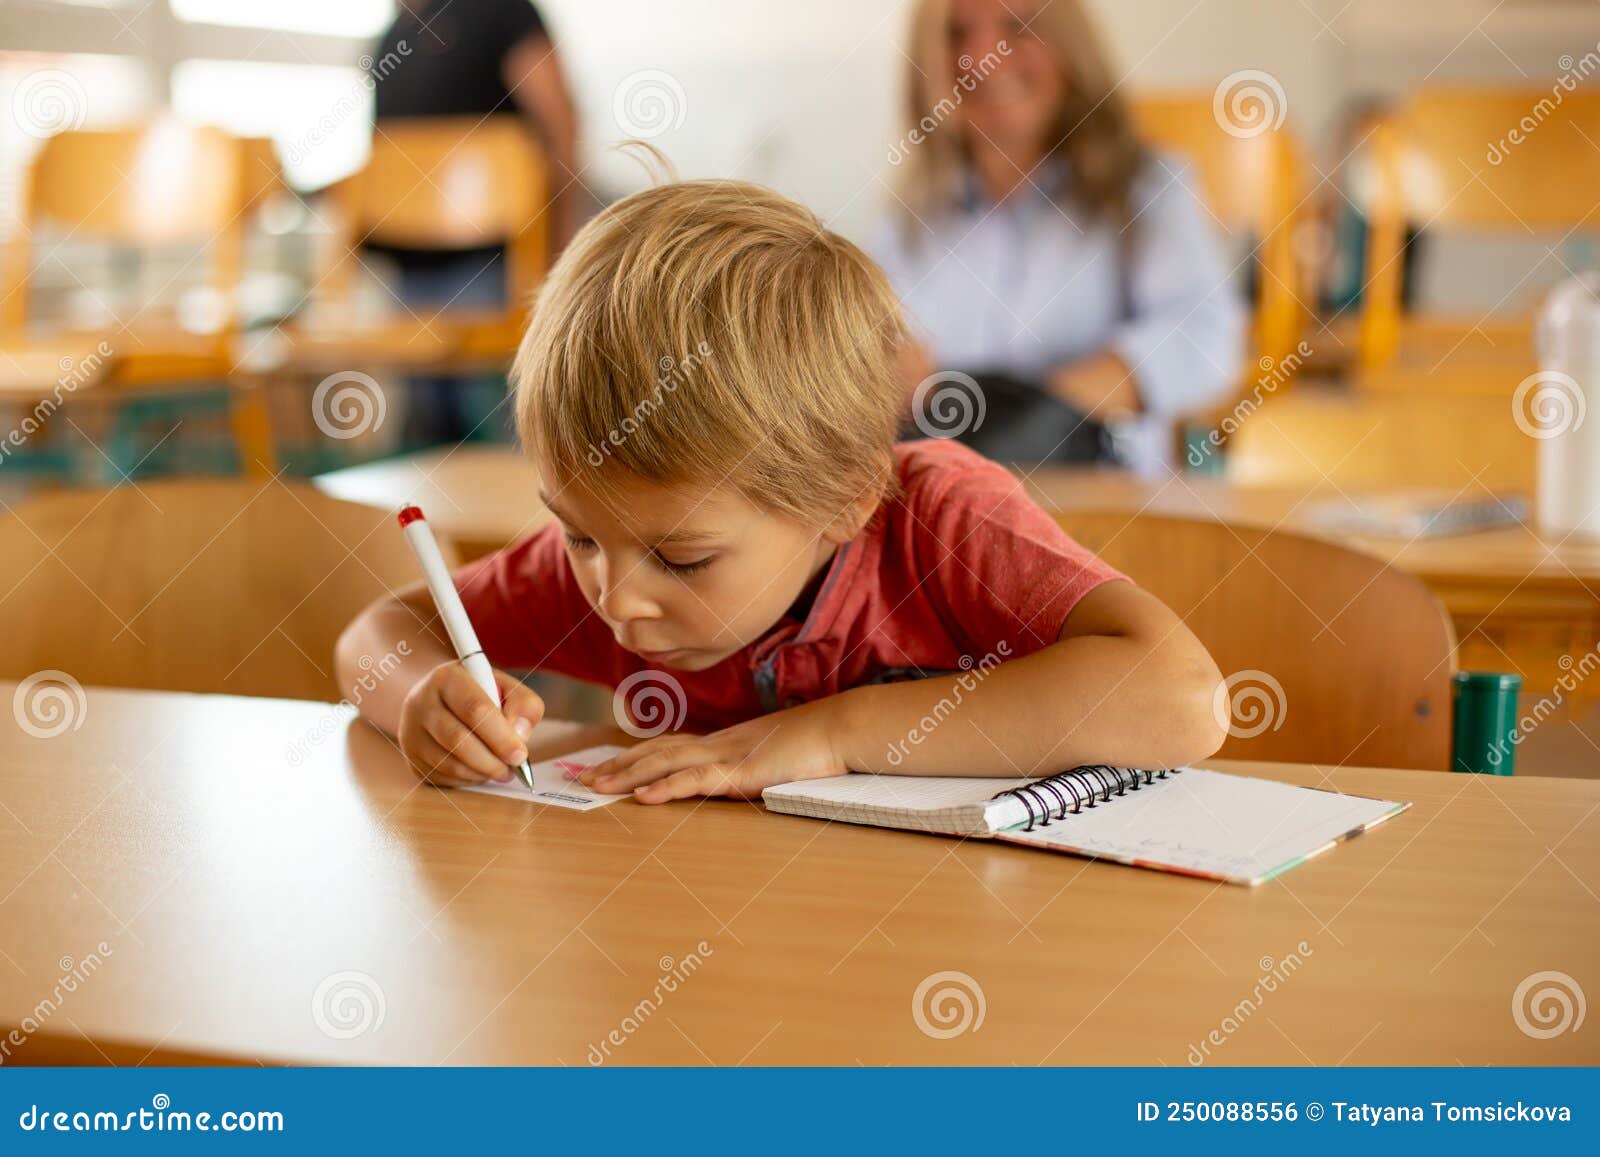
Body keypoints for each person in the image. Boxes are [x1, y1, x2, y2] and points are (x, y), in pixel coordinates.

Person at [335, 178, 1227, 804]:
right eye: (576, 535)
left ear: (845, 495)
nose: (615, 597)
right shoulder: (617, 545)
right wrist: (424, 698)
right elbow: (377, 635)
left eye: (680, 557)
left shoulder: (939, 520)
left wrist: (832, 735)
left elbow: (1181, 699)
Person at [875, 0, 1247, 473]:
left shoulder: (1147, 188)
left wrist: (1042, 415)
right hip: (945, 495)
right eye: (955, 35)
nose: (982, 54)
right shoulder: (908, 215)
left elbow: (1207, 337)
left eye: (1019, 26)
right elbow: (874, 349)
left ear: (1071, 50)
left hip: (1098, 494)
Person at [368, 0, 582, 444]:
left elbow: (560, 125)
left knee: (499, 419)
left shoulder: (502, 11)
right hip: (408, 273)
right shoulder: (391, 37)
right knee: (428, 428)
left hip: (493, 264)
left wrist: (564, 247)